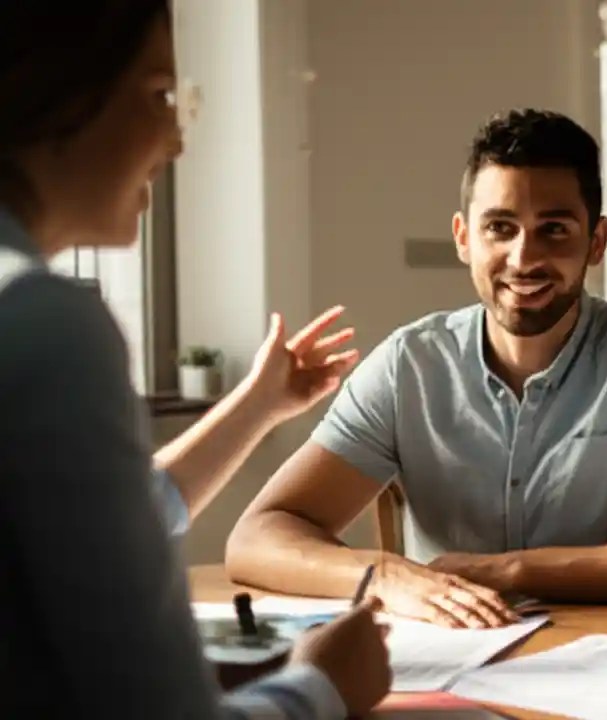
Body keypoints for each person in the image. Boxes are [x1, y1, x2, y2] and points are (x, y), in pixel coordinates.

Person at [0, 2, 391, 717]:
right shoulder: (43, 323)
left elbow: (120, 513)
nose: (176, 139)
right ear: (52, 88)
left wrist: (260, 403)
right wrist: (323, 687)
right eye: (158, 96)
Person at [225, 109, 607, 627]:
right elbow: (257, 538)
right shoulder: (408, 364)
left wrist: (510, 570)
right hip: (455, 665)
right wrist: (385, 575)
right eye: (500, 228)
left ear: (596, 242)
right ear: (464, 237)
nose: (524, 258)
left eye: (554, 230)